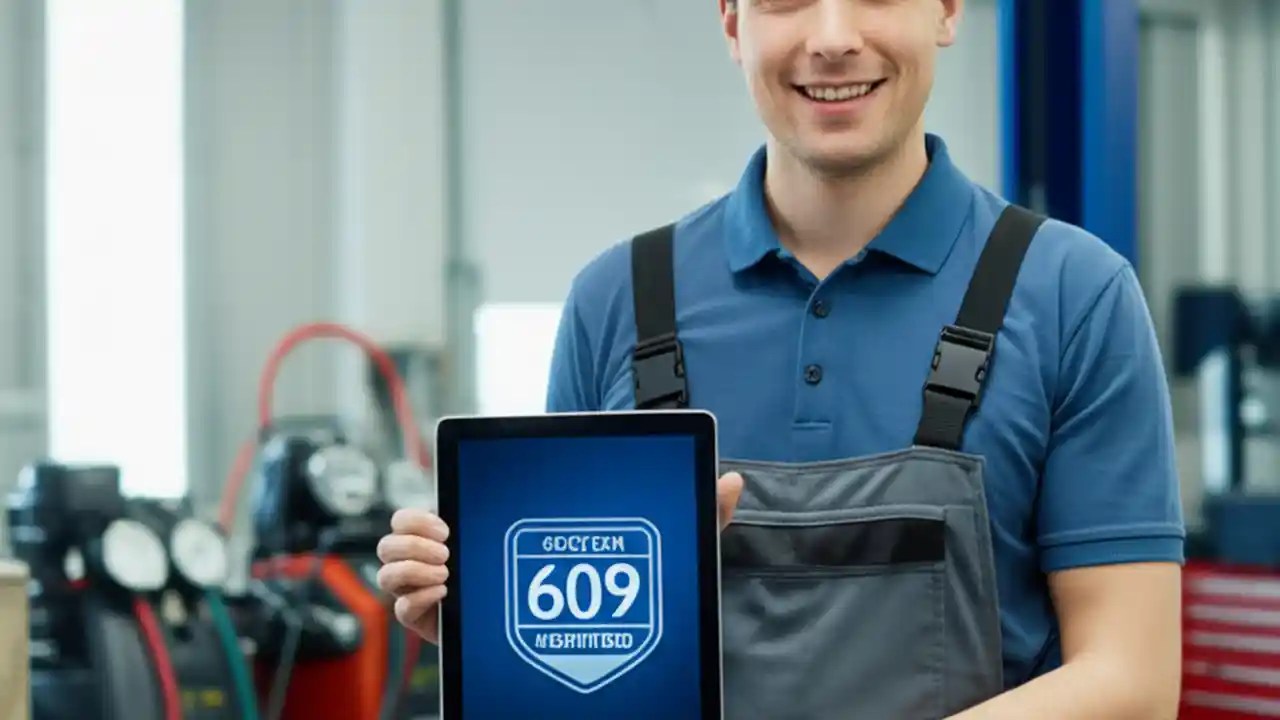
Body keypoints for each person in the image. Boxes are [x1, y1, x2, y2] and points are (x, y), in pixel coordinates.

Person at [376, 0, 1185, 717]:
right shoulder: (616, 300)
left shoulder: (1076, 295)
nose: (832, 38)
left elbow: (1132, 680)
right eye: (786, 0)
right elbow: (600, 672)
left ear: (945, 10)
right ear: (732, 21)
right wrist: (501, 633)